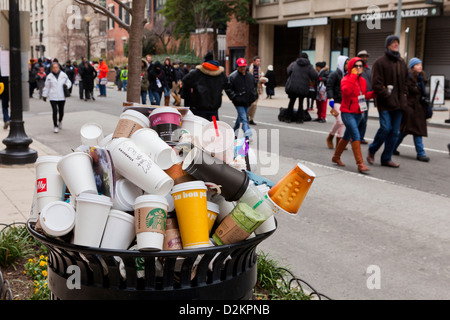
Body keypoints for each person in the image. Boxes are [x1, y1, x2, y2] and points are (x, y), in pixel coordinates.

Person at [368, 35, 408, 168]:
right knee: (385, 128)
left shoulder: (402, 62)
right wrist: (387, 95)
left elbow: (406, 82)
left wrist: (405, 95)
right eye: (393, 42)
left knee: (395, 132)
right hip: (385, 102)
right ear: (387, 45)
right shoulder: (380, 62)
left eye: (397, 42)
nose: (396, 44)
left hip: (399, 104)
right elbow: (376, 84)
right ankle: (372, 150)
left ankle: (386, 158)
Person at [331, 57, 375, 173]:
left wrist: (376, 93)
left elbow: (363, 96)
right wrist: (353, 76)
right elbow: (346, 91)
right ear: (351, 68)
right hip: (347, 113)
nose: (359, 68)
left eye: (361, 66)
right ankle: (360, 164)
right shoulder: (346, 79)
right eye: (356, 66)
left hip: (358, 113)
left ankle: (336, 157)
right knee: (356, 135)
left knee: (346, 136)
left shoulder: (363, 81)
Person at [393, 58, 430, 162]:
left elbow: (422, 93)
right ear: (412, 66)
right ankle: (420, 153)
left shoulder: (421, 77)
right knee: (407, 131)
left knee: (412, 131)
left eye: (421, 64)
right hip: (409, 108)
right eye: (417, 65)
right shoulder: (408, 78)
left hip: (419, 108)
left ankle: (420, 153)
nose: (420, 67)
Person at [181, 51, 227, 121]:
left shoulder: (197, 72)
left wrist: (188, 98)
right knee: (212, 128)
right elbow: (227, 84)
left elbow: (185, 81)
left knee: (199, 128)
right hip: (214, 108)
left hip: (199, 107)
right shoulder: (220, 74)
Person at [225, 58, 258, 139]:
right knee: (243, 118)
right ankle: (248, 135)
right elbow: (228, 88)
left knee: (240, 118)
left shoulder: (249, 75)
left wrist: (254, 95)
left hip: (248, 101)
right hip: (238, 102)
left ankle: (233, 133)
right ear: (237, 67)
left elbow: (254, 86)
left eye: (244, 66)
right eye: (241, 66)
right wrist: (234, 97)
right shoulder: (233, 76)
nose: (243, 68)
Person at [285, 53, 319, 123]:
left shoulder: (294, 64)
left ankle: (288, 118)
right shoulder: (309, 66)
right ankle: (299, 119)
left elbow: (288, 71)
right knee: (301, 103)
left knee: (291, 102)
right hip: (303, 87)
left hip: (293, 86)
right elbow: (315, 75)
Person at [326, 56, 348, 149]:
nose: (348, 65)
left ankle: (339, 141)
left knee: (342, 122)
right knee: (340, 121)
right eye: (346, 63)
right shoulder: (334, 74)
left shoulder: (347, 75)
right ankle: (330, 137)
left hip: (344, 101)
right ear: (341, 63)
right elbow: (329, 87)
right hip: (335, 101)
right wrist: (331, 98)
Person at [42, 62, 72, 133]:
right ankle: (55, 126)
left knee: (61, 111)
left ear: (58, 67)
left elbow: (69, 82)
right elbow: (47, 87)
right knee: (55, 111)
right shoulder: (49, 76)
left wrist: (66, 86)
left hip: (61, 96)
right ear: (52, 68)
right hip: (53, 96)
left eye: (56, 67)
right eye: (54, 67)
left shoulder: (63, 75)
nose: (55, 69)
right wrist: (44, 95)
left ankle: (60, 121)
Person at [357, 50, 372, 144]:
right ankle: (355, 136)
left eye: (366, 56)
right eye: (363, 56)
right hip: (360, 96)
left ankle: (361, 137)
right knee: (361, 117)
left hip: (367, 96)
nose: (365, 58)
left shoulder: (369, 69)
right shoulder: (358, 69)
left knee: (365, 118)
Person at [247, 56, 262, 125]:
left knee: (255, 105)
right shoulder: (249, 69)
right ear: (253, 61)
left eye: (259, 61)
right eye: (257, 61)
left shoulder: (259, 69)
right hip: (250, 89)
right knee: (251, 104)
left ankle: (251, 119)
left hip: (257, 89)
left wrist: (263, 80)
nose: (259, 62)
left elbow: (261, 76)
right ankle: (246, 116)